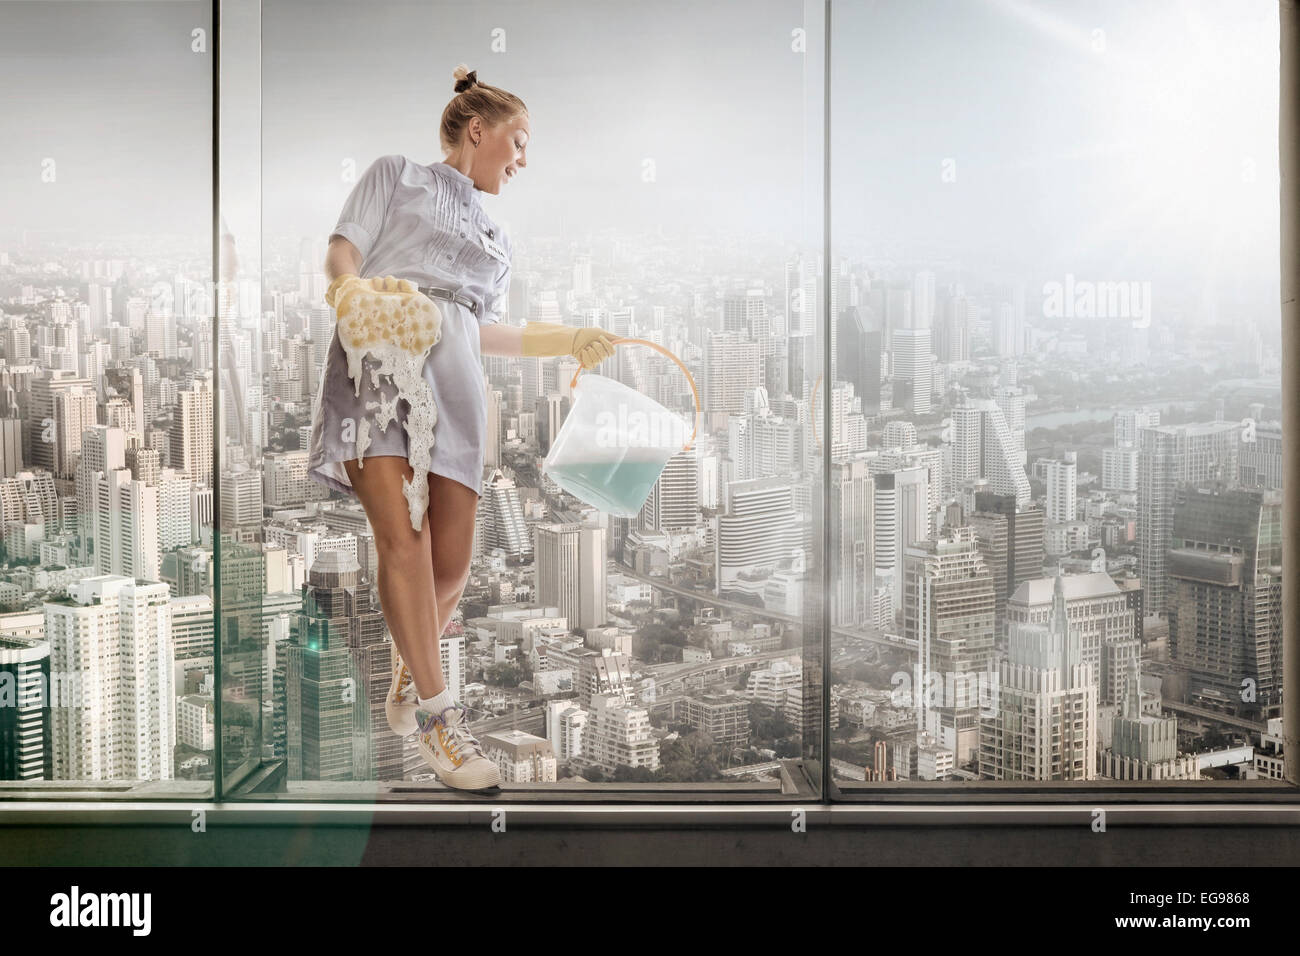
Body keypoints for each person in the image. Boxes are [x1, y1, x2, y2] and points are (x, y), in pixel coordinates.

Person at [306, 63, 617, 791]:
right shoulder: (396, 175)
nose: (523, 159)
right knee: (402, 544)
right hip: (381, 358)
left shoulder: (494, 237)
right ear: (478, 130)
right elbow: (341, 248)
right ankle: (441, 723)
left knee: (453, 563)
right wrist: (347, 288)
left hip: (459, 383)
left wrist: (568, 338)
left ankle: (412, 676)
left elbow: (484, 330)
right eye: (518, 141)